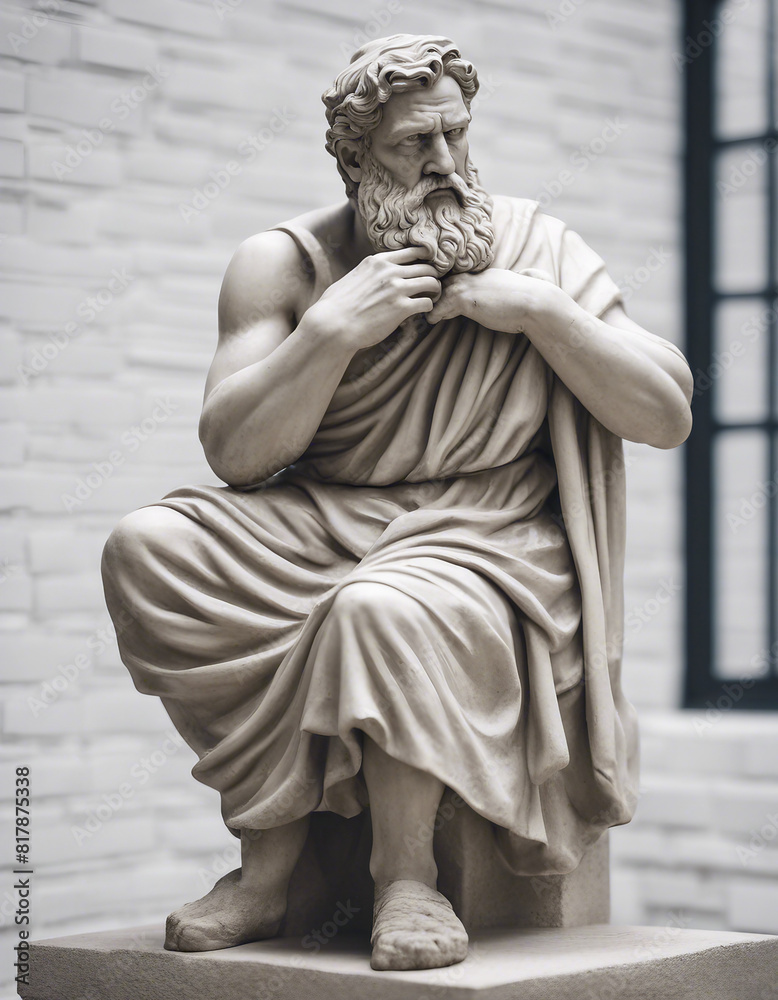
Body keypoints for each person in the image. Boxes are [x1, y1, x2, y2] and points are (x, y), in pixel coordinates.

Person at [101, 34, 693, 971]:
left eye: (457, 135)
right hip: (325, 519)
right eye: (414, 146)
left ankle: (406, 877)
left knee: (384, 605)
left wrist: (542, 312)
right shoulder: (284, 264)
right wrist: (329, 336)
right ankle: (269, 867)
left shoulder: (535, 246)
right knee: (147, 545)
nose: (447, 165)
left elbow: (664, 413)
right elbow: (236, 454)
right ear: (354, 155)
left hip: (488, 531)